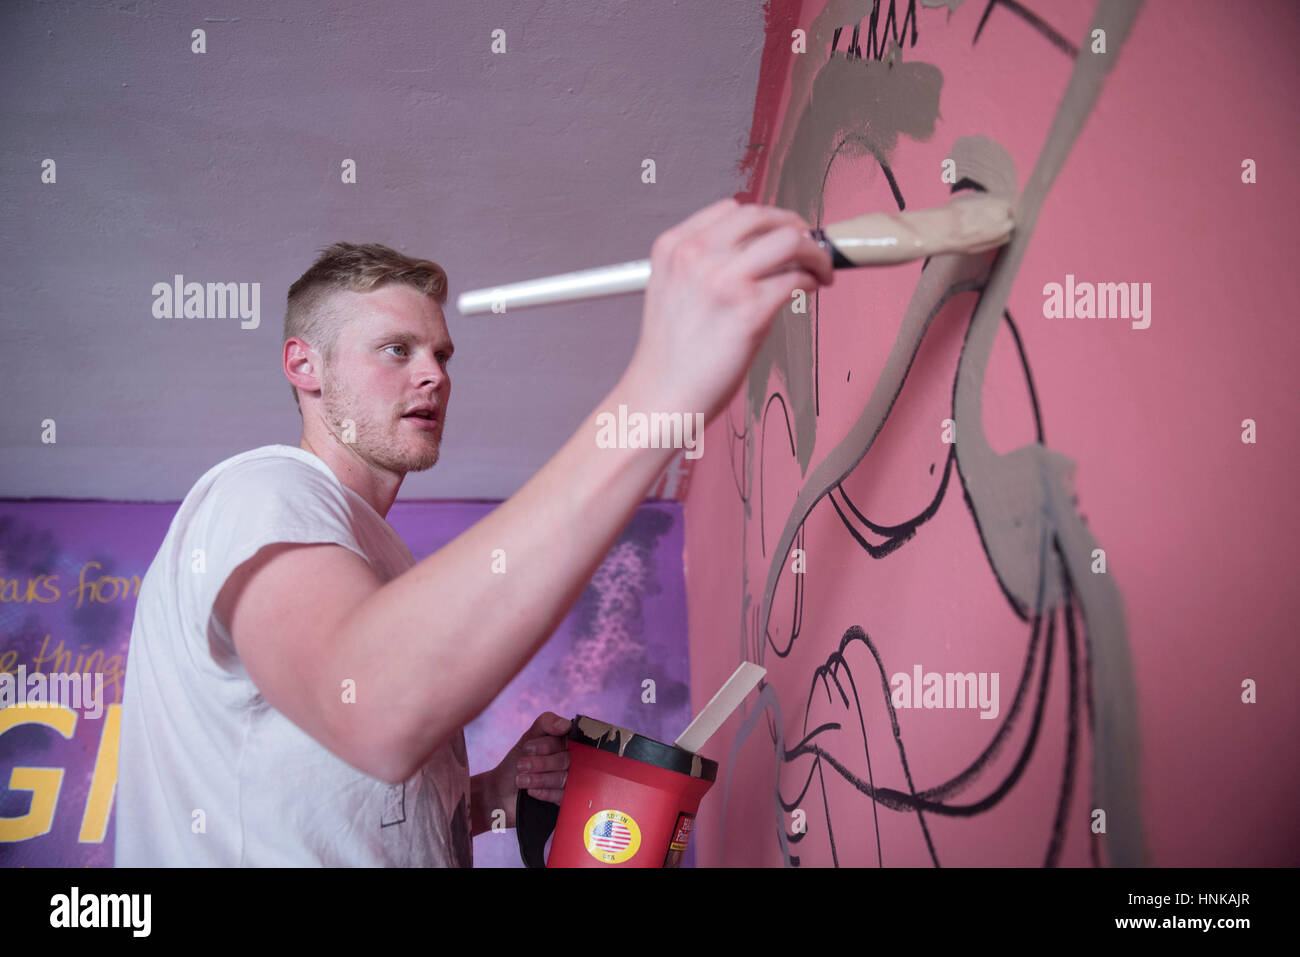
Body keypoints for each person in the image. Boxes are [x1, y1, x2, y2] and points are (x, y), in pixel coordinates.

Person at [113, 197, 834, 866]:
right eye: (396, 349)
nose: (433, 374)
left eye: (442, 354)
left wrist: (491, 796)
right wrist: (661, 389)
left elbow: (359, 806)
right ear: (305, 365)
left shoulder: (377, 557)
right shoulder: (261, 490)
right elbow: (372, 707)